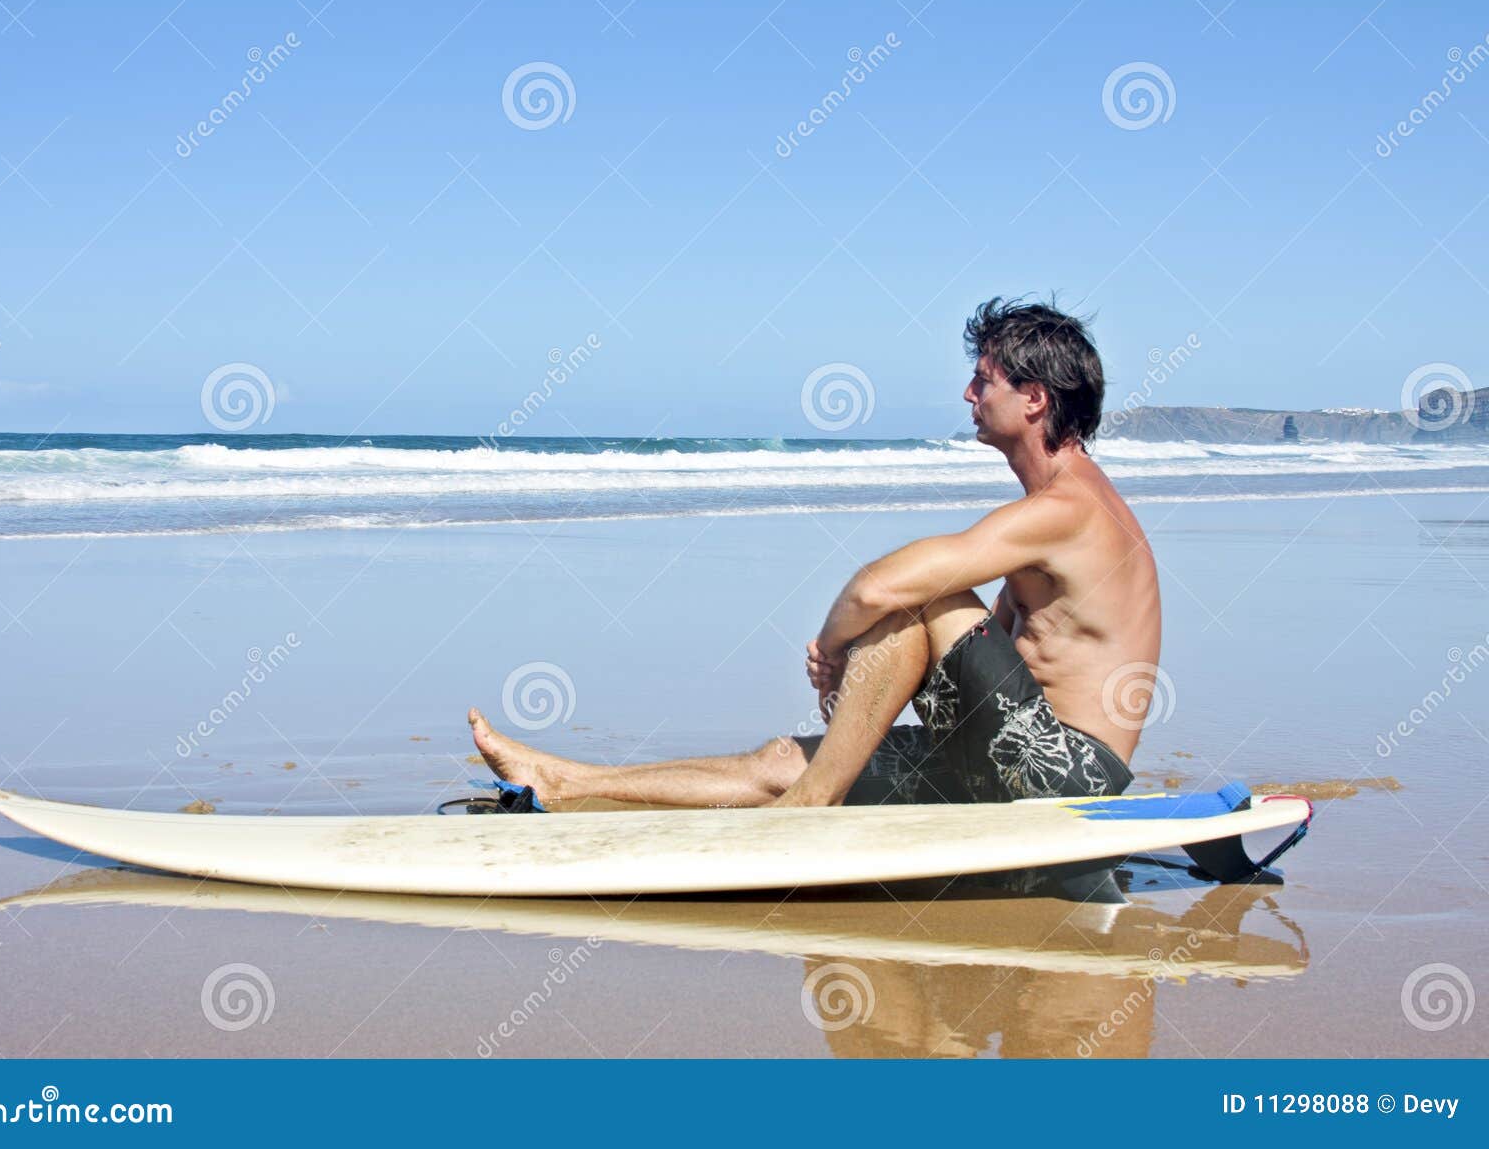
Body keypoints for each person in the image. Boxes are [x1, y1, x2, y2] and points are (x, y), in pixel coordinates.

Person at [468, 297, 1162, 808]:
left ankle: (809, 813)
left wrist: (834, 650)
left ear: (1034, 398)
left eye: (985, 379)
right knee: (782, 759)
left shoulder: (1065, 511)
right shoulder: (1050, 511)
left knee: (921, 598)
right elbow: (983, 667)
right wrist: (867, 684)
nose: (968, 392)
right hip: (1010, 760)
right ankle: (565, 781)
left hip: (1071, 782)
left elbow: (879, 588)